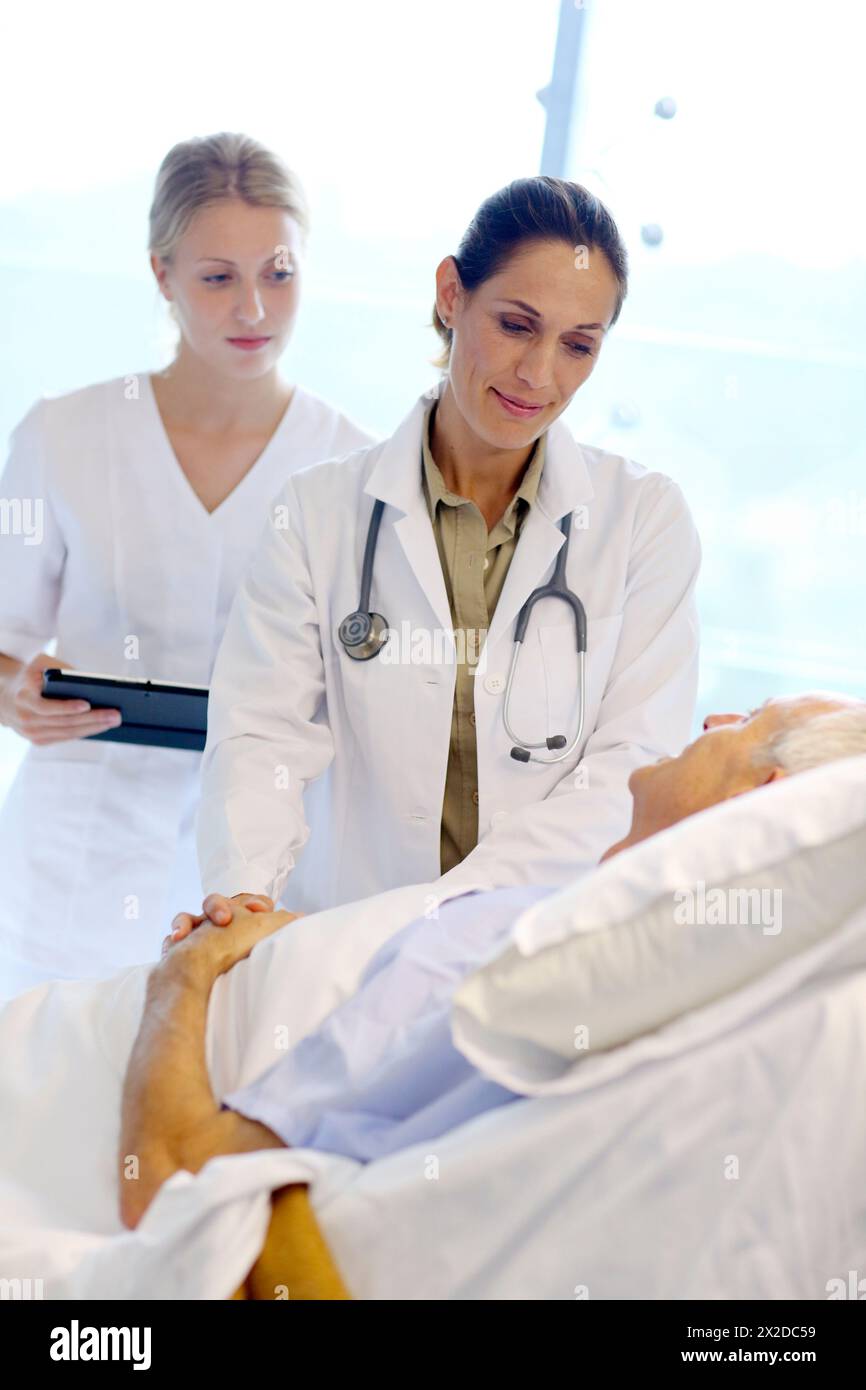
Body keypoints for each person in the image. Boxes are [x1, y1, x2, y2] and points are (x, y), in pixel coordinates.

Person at [120, 691, 866, 1297]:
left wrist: (183, 971)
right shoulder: (673, 1002)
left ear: (764, 803)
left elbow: (173, 1181)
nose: (715, 719)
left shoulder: (513, 940)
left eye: (752, 718)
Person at [183, 175, 702, 942]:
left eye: (578, 345)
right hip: (339, 945)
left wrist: (439, 921)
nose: (540, 375)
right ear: (452, 295)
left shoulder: (644, 520)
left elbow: (630, 767)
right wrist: (244, 906)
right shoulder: (319, 514)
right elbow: (261, 739)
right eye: (517, 325)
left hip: (541, 940)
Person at [0, 133, 374, 997]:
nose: (254, 308)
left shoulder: (353, 469)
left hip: (241, 881)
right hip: (65, 868)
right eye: (217, 277)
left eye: (279, 273)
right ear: (163, 275)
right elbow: (6, 639)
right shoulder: (65, 435)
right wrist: (20, 693)